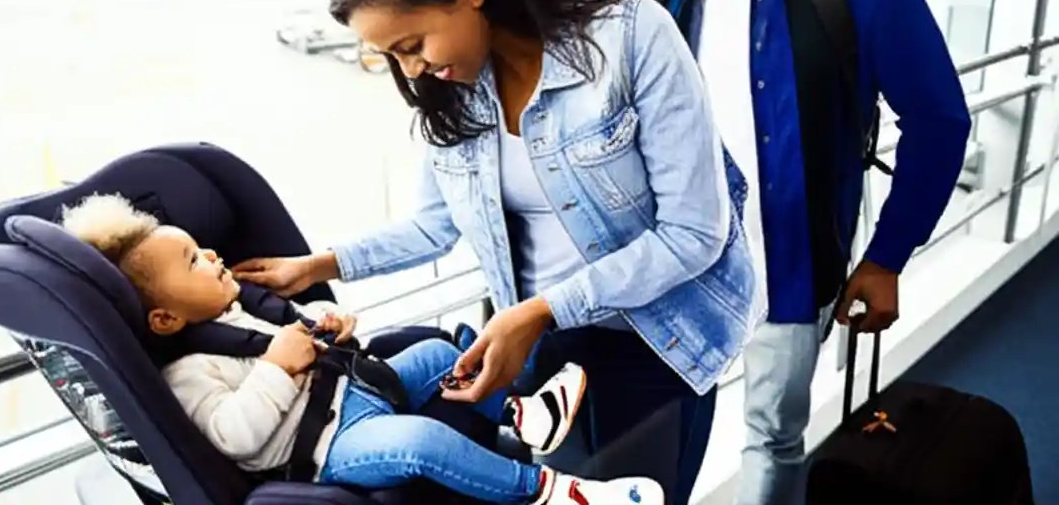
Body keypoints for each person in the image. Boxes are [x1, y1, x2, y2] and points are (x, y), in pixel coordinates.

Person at [232, 0, 762, 504]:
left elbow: (694, 233)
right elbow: (436, 227)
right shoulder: (455, 86)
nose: (411, 72)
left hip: (656, 338)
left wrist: (538, 312)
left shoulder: (629, 36)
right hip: (545, 350)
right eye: (391, 57)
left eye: (412, 45)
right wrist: (319, 265)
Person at [639, 0, 973, 504]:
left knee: (770, 437)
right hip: (679, 274)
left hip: (790, 272)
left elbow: (940, 122)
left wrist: (886, 258)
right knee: (662, 441)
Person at [60, 192, 662, 505]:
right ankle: (554, 490)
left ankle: (519, 416)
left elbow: (301, 325)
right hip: (330, 445)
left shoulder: (243, 310)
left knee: (434, 354)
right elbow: (234, 437)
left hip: (359, 389)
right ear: (164, 317)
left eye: (202, 247)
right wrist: (275, 369)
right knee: (421, 442)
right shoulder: (190, 371)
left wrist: (328, 321)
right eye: (194, 261)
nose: (212, 256)